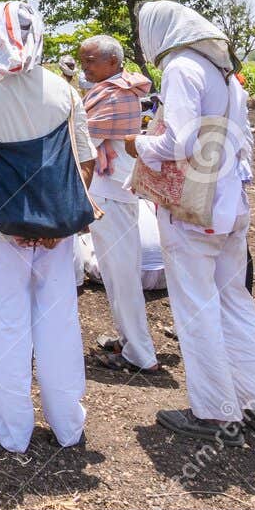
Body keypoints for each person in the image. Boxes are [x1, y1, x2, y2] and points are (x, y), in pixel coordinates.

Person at [127, 0, 255, 446]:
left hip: (196, 207)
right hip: (231, 200)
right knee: (234, 299)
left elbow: (179, 140)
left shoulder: (181, 68)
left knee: (196, 305)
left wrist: (138, 145)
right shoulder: (224, 74)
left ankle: (213, 413)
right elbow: (242, 140)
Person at [0, 1, 93, 451]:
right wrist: (57, 220)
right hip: (57, 232)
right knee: (59, 323)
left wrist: (4, 212)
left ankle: (14, 433)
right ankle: (68, 427)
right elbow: (83, 163)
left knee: (5, 323)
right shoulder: (63, 90)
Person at [78, 34, 162, 376]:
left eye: (91, 61)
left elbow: (83, 137)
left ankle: (142, 354)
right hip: (110, 187)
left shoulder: (114, 94)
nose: (85, 67)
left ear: (112, 62)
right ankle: (131, 344)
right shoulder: (118, 89)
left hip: (110, 190)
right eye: (82, 60)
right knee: (116, 274)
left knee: (122, 274)